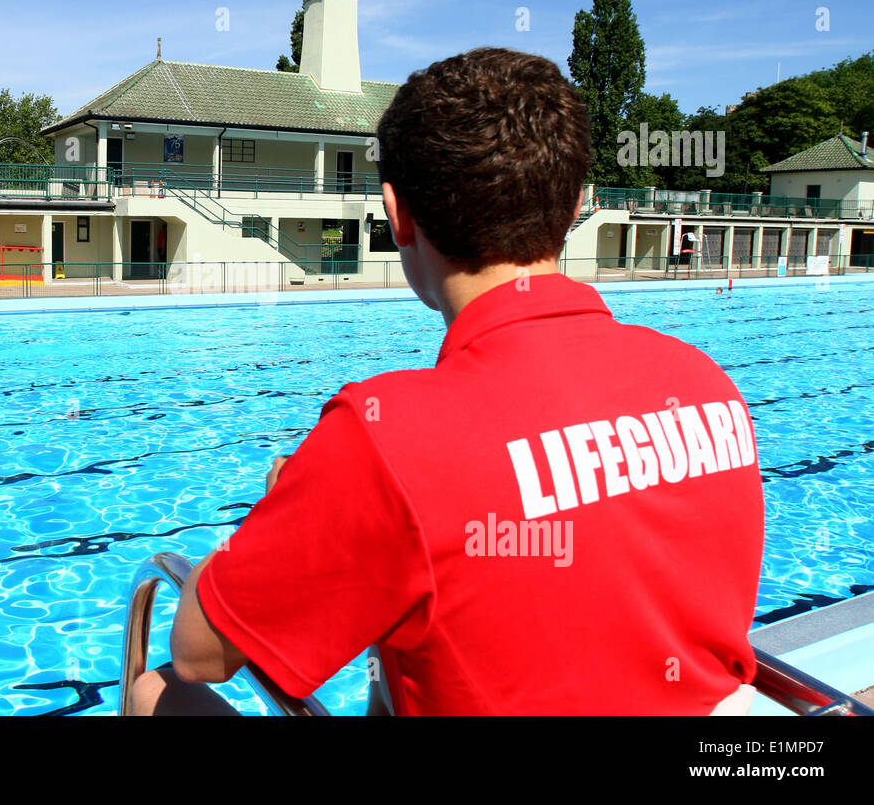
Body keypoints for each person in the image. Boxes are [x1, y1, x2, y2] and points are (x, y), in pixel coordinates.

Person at [132, 48, 764, 715]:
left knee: (157, 688)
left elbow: (204, 651)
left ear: (397, 214)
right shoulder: (703, 381)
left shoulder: (385, 437)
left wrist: (294, 512)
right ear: (575, 206)